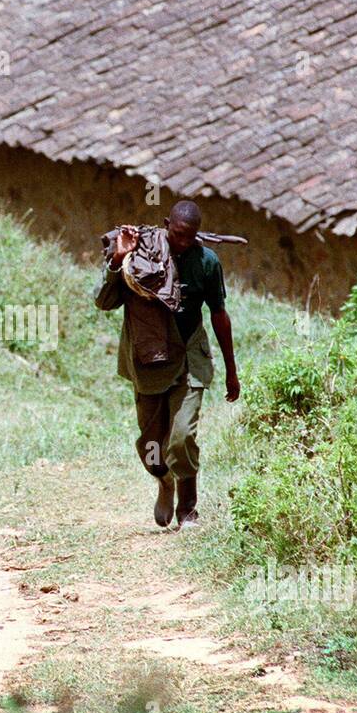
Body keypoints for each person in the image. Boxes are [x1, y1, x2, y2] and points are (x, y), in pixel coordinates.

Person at [95, 200, 239, 530]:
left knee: (182, 436)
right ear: (166, 224)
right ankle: (164, 481)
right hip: (149, 360)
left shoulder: (207, 262)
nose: (183, 242)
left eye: (190, 236)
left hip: (190, 356)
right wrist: (118, 259)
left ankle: (188, 509)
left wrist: (231, 370)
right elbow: (104, 302)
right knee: (151, 446)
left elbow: (218, 314)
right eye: (177, 235)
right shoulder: (138, 258)